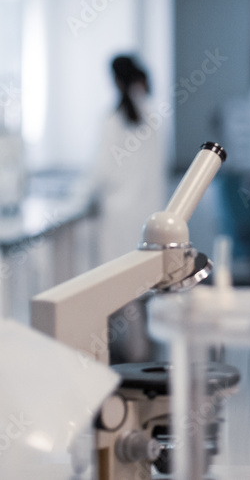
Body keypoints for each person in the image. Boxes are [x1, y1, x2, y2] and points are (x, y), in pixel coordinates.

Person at [91, 55, 167, 362]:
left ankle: (131, 354)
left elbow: (101, 173)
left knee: (121, 289)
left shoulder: (113, 120)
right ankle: (142, 350)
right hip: (147, 214)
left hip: (119, 216)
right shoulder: (154, 117)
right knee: (141, 286)